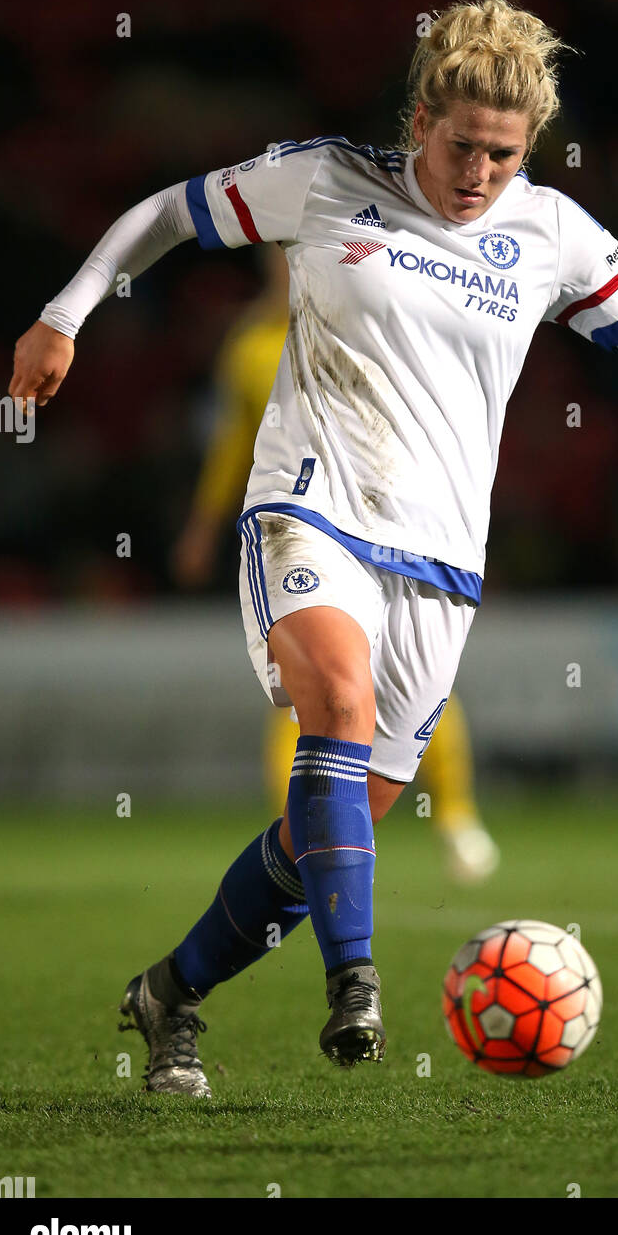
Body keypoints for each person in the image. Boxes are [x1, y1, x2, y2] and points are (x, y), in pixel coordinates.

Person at [9, 0, 618, 1096]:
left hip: (440, 556)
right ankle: (357, 983)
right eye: (460, 146)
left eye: (503, 152)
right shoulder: (328, 181)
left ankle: (169, 996)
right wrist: (67, 310)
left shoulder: (551, 233)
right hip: (311, 503)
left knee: (329, 830)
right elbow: (165, 212)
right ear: (419, 117)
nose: (479, 172)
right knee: (334, 710)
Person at [172, 243, 500, 883]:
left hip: (387, 525)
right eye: (279, 259)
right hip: (300, 528)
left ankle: (456, 818)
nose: (289, 270)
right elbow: (232, 444)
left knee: (414, 681)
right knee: (302, 693)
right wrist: (202, 528)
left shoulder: (370, 318)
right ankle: (303, 834)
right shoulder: (249, 349)